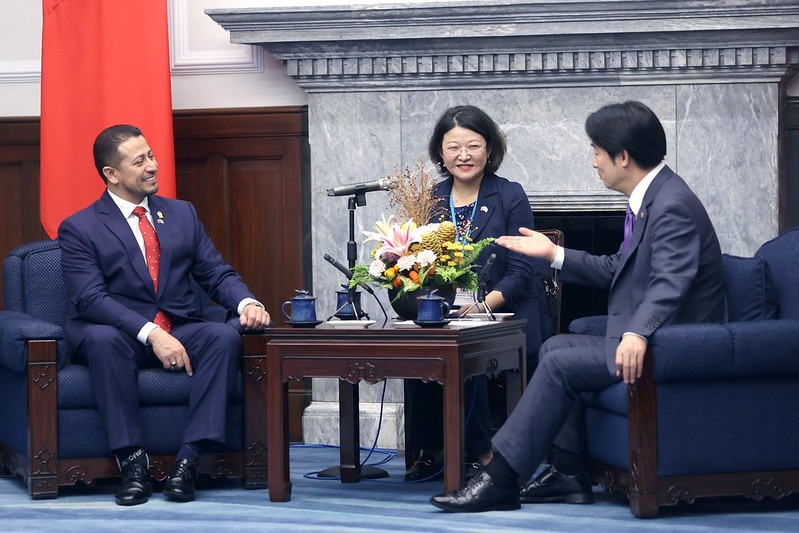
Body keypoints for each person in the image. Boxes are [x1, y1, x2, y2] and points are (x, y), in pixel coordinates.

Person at [429, 100, 727, 512]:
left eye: (596, 152)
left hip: (678, 346)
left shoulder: (671, 205)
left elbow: (669, 284)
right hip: (662, 337)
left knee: (557, 362)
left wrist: (637, 332)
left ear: (622, 157)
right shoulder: (652, 197)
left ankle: (501, 478)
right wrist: (553, 254)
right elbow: (617, 268)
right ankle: (568, 474)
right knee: (556, 347)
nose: (593, 163)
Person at [58, 124, 271, 506]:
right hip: (119, 331)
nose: (152, 166)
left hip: (179, 325)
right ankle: (132, 463)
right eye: (139, 161)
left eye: (151, 155)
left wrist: (246, 303)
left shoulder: (181, 215)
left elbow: (215, 273)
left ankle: (188, 460)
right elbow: (90, 298)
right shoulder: (80, 227)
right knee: (103, 340)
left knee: (223, 336)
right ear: (111, 173)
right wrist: (151, 335)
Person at [405, 105, 551, 481]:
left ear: (490, 150)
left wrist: (483, 307)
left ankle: (478, 450)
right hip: (448, 311)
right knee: (418, 345)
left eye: (473, 145)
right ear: (440, 152)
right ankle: (430, 449)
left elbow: (524, 269)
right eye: (453, 147)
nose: (463, 156)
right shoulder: (430, 199)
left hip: (508, 309)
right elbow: (418, 266)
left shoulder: (509, 195)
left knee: (468, 346)